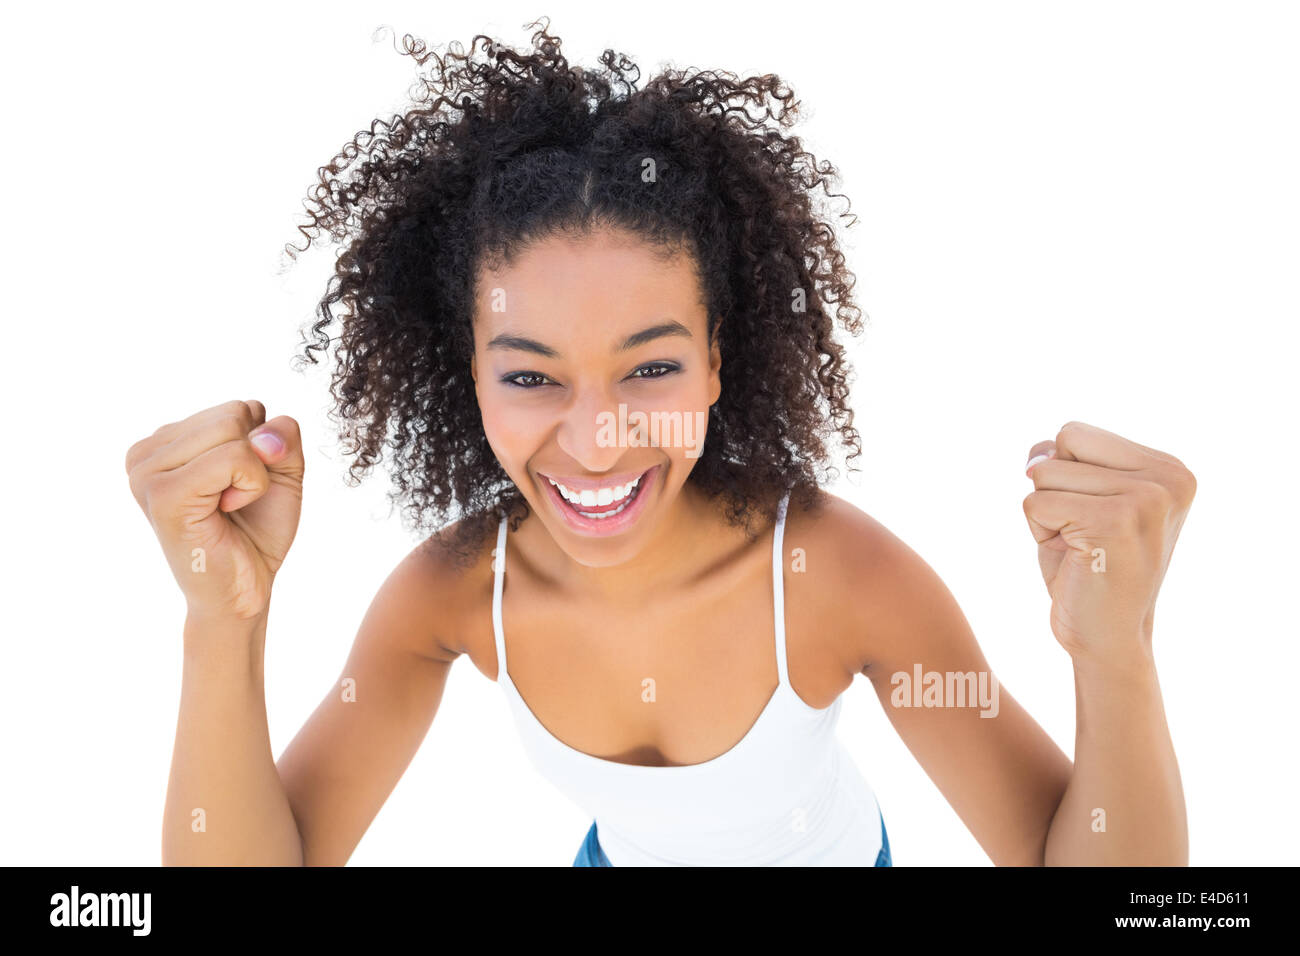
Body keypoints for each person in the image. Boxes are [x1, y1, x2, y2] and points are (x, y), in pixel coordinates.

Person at [124, 20, 1195, 866]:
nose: (595, 439)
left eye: (650, 366)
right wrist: (223, 620)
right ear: (469, 379)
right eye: (531, 375)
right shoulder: (451, 595)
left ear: (722, 361)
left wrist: (1117, 651)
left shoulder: (837, 578)